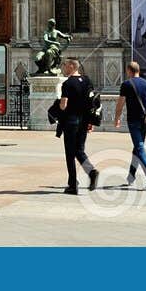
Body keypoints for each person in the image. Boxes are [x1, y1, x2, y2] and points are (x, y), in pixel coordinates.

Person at [56, 58, 99, 195]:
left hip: (71, 121)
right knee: (79, 150)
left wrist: (58, 106)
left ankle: (73, 184)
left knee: (70, 153)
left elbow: (63, 105)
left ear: (71, 66)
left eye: (64, 65)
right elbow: (92, 102)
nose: (63, 67)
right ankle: (91, 171)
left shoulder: (68, 83)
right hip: (84, 120)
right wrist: (90, 121)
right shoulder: (87, 81)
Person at [114, 60, 146, 190]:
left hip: (133, 121)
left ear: (129, 71)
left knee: (139, 148)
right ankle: (131, 177)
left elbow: (120, 104)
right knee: (137, 148)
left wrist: (117, 118)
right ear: (138, 70)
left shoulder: (126, 84)